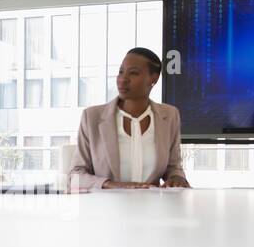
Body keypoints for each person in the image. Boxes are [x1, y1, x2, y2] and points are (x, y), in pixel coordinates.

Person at [69, 47, 190, 191]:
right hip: (106, 209)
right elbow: (75, 177)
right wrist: (111, 185)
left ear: (154, 78)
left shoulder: (169, 115)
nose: (123, 79)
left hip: (154, 208)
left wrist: (177, 178)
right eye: (121, 72)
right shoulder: (92, 117)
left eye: (133, 73)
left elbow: (173, 167)